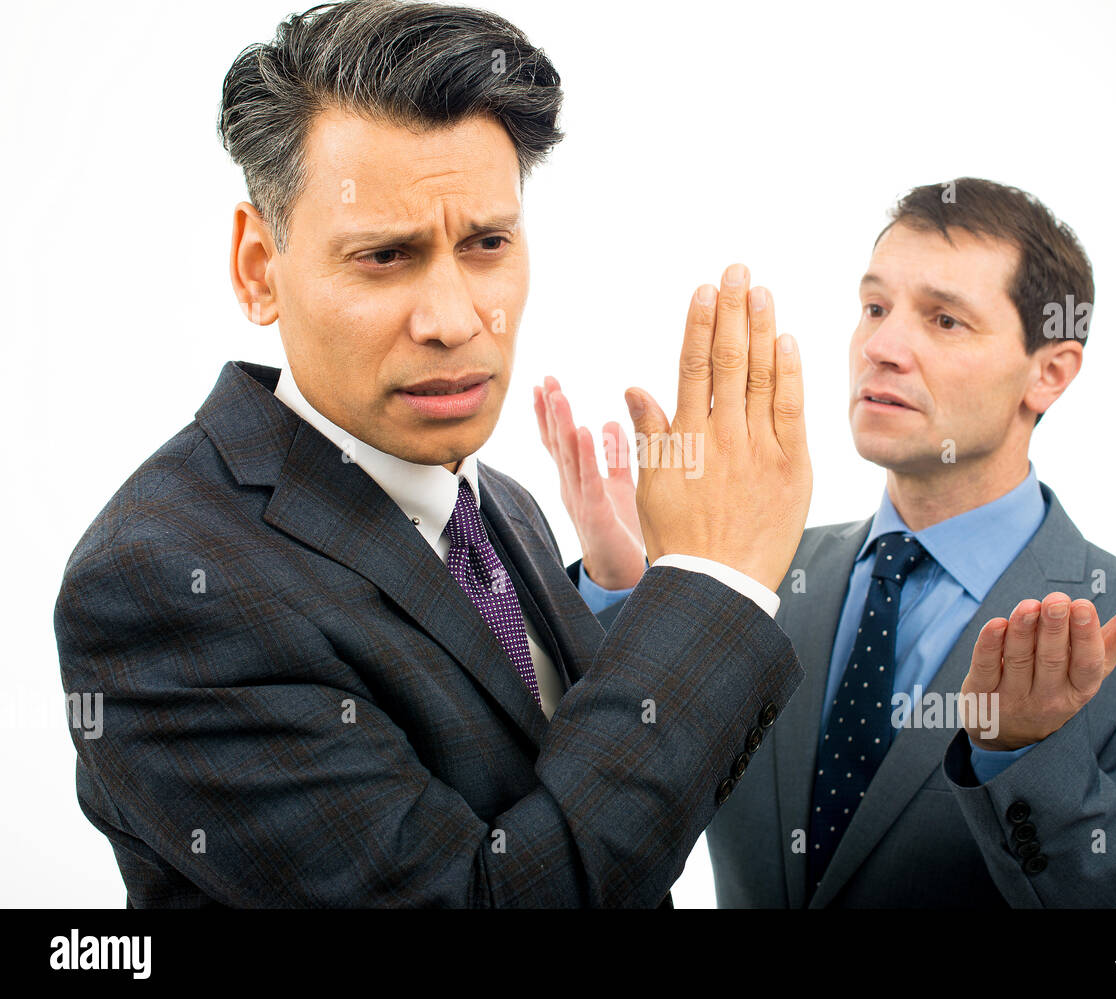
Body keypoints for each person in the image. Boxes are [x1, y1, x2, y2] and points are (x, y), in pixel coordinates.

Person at [51, 0, 814, 907]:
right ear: (259, 267)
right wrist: (711, 581)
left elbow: (560, 800)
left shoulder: (499, 504)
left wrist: (627, 604)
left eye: (487, 243)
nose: (455, 322)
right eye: (384, 256)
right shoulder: (157, 582)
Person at [536, 178, 1116, 907]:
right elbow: (593, 804)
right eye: (874, 307)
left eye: (944, 320)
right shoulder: (754, 576)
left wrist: (1025, 753)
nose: (881, 346)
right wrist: (629, 590)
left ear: (1050, 372)